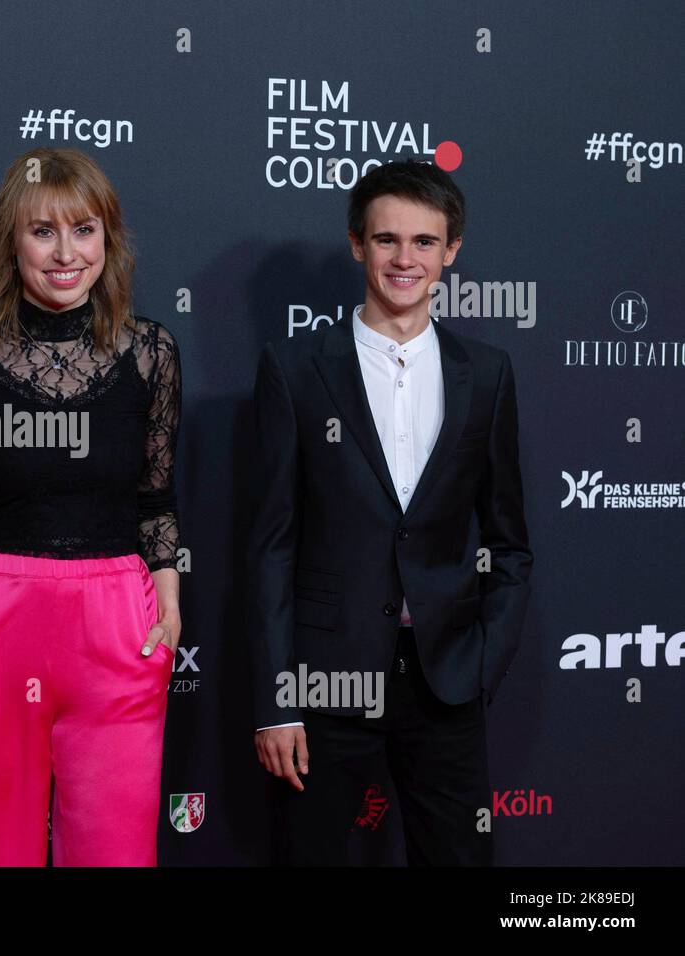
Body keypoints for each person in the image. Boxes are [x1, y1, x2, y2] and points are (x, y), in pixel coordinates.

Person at [0, 147, 182, 866]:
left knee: (116, 854)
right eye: (43, 231)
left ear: (107, 241)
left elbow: (157, 499)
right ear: (10, 243)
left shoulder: (152, 355)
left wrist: (168, 612)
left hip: (118, 624)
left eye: (84, 229)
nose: (66, 252)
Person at [250, 159, 532, 865]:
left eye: (425, 243)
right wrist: (278, 700)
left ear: (452, 251)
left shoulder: (488, 373)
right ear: (356, 244)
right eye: (386, 240)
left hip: (444, 681)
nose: (405, 260)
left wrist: (482, 662)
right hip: (322, 682)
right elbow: (271, 547)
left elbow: (509, 540)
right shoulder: (294, 368)